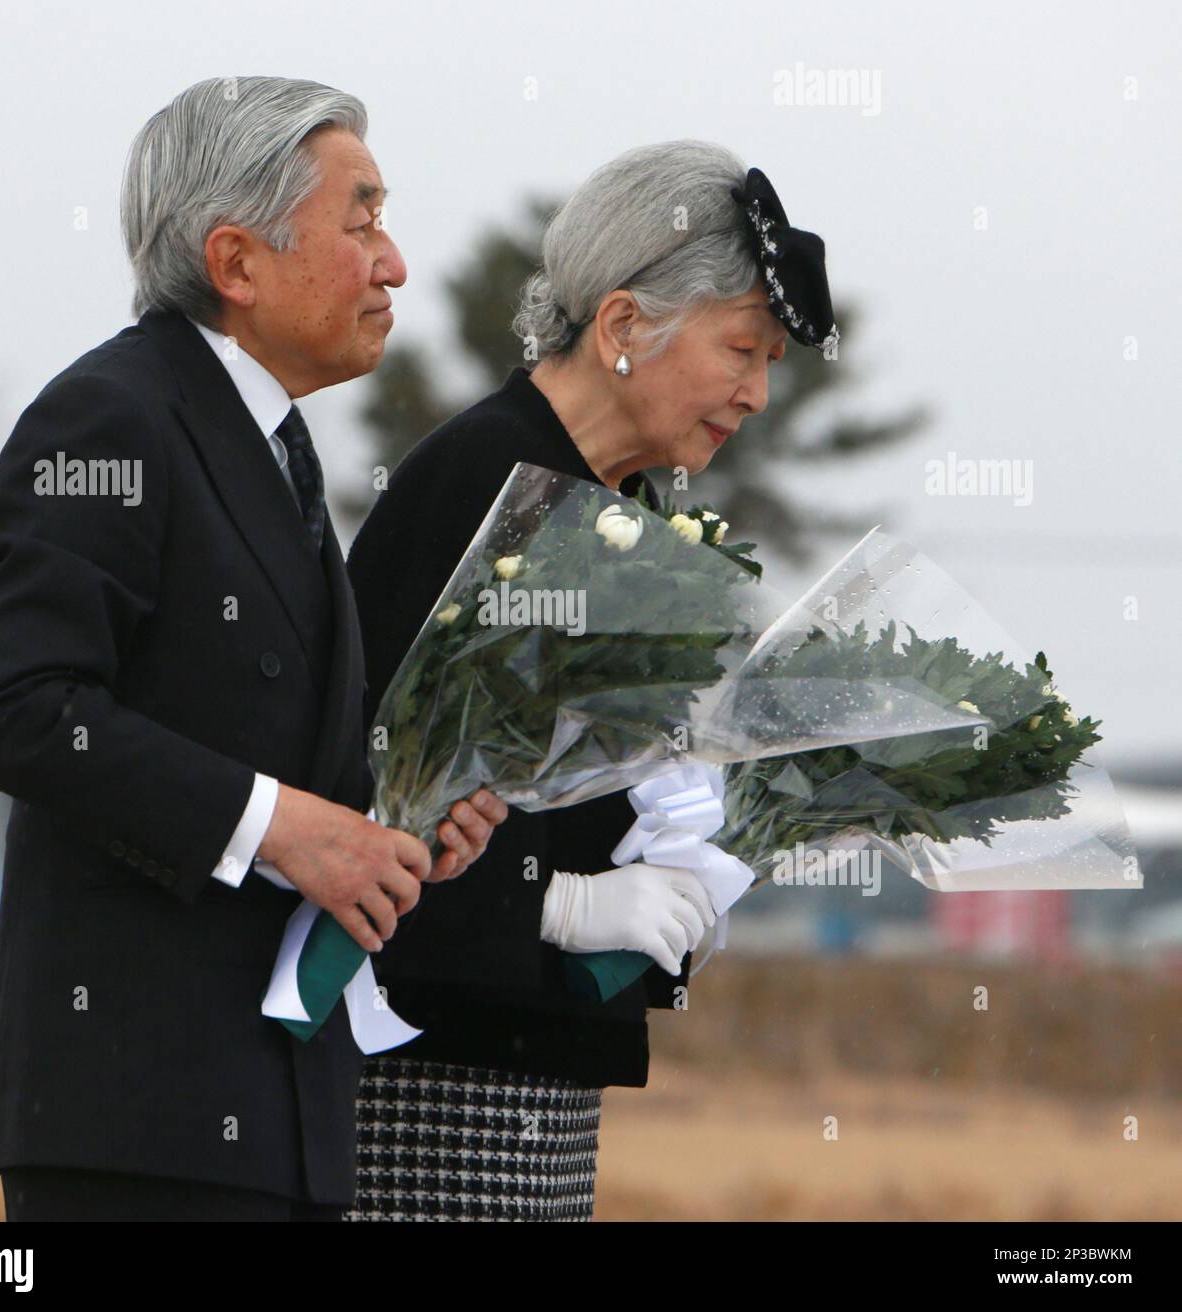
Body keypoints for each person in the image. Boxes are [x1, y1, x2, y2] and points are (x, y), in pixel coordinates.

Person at [0, 75, 507, 1224]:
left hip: (273, 1117)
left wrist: (392, 824)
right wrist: (286, 828)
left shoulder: (276, 447)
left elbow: (252, 736)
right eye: (359, 221)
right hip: (134, 1121)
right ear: (236, 261)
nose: (392, 261)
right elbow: (19, 705)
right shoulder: (111, 417)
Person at [343, 140, 838, 1221]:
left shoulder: (621, 506)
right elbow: (371, 787)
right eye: (742, 352)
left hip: (532, 1081)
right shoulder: (488, 483)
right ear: (622, 326)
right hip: (429, 1087)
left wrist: (696, 860)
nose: (754, 395)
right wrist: (555, 903)